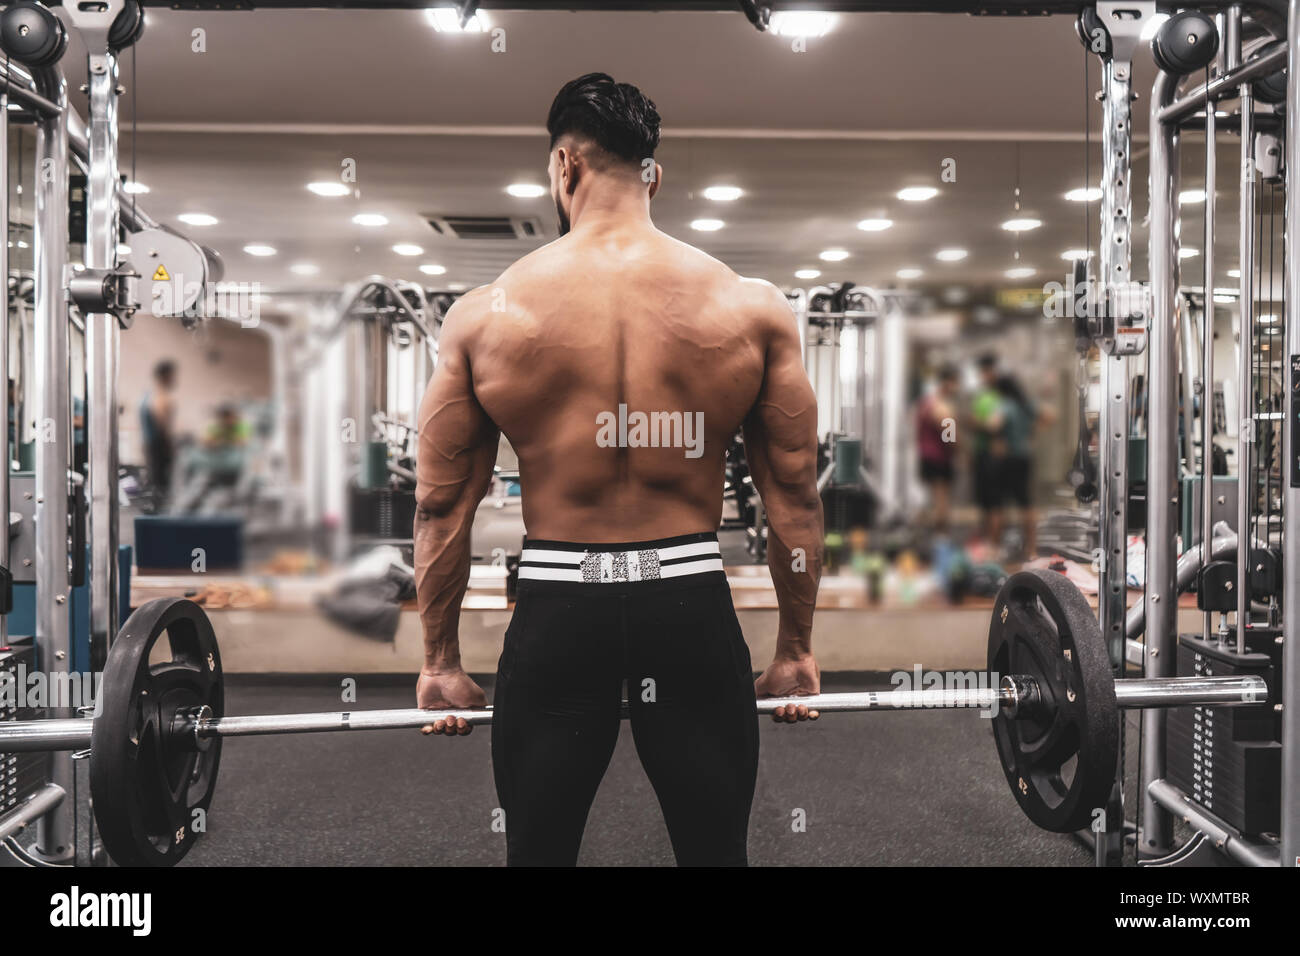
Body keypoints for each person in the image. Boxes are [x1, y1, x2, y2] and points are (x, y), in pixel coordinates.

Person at [413, 72, 823, 867]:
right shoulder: (751, 307)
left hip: (560, 614)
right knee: (715, 854)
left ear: (564, 168)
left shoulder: (485, 315)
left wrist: (440, 661)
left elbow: (440, 509)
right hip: (691, 612)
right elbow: (794, 497)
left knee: (538, 853)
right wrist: (795, 649)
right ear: (654, 176)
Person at [915, 363, 959, 533]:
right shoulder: (939, 405)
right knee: (941, 502)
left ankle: (937, 539)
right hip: (938, 458)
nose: (957, 387)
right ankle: (941, 540)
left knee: (935, 501)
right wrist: (960, 450)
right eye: (955, 382)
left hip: (930, 456)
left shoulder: (928, 402)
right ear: (947, 382)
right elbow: (949, 435)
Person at [969, 353, 1006, 547]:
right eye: (982, 372)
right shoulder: (982, 396)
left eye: (986, 371)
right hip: (982, 454)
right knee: (984, 502)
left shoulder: (1000, 396)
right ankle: (986, 543)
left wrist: (978, 423)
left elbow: (995, 426)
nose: (984, 375)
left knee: (994, 503)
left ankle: (994, 544)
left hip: (994, 456)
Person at [140, 360, 177, 506]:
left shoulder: (149, 394)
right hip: (158, 444)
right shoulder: (160, 395)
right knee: (162, 483)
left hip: (152, 444)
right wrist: (170, 445)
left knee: (157, 481)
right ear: (165, 375)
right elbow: (161, 421)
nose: (174, 379)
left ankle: (158, 506)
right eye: (172, 375)